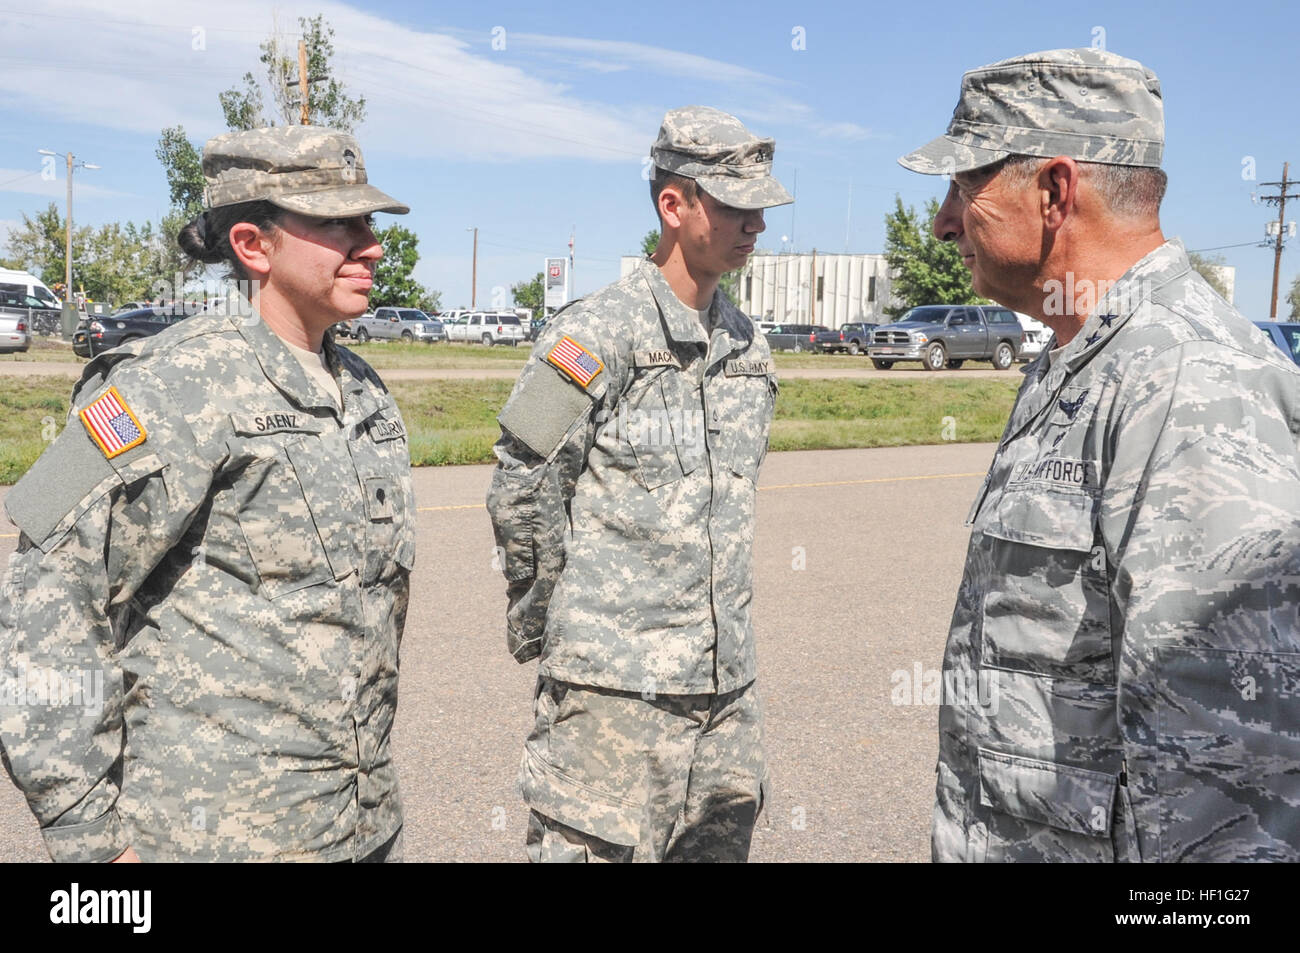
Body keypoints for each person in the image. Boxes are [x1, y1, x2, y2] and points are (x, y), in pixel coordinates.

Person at [899, 48, 1300, 862]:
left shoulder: (1188, 382)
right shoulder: (1079, 359)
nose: (943, 219)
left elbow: (1230, 786)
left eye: (964, 184)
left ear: (1055, 191)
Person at [0, 125, 415, 862]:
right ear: (254, 245)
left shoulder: (367, 394)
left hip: (358, 826)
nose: (371, 244)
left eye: (369, 222)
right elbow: (46, 599)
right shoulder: (158, 384)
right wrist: (89, 839)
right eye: (336, 222)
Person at [486, 106, 789, 862]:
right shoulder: (595, 334)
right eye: (733, 204)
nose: (754, 223)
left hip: (724, 699)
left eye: (761, 207)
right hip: (611, 699)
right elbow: (524, 485)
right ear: (674, 205)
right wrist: (562, 628)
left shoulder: (749, 347)